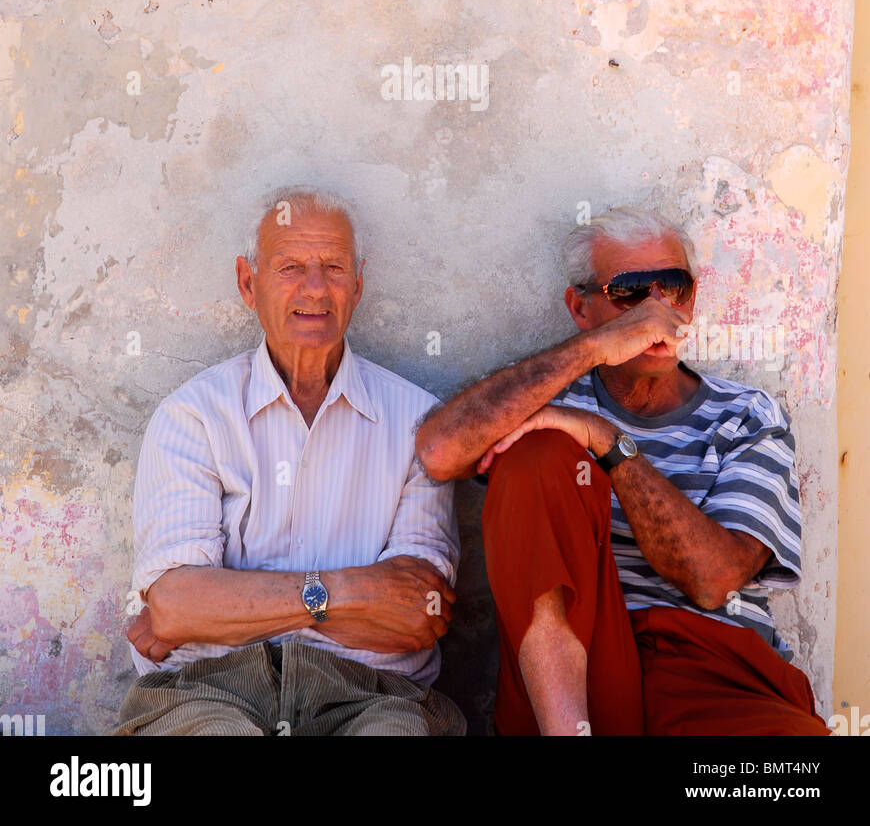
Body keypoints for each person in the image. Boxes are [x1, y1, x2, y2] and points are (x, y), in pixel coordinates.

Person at [415, 206, 830, 738]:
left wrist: (608, 442)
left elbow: (712, 579)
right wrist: (592, 351)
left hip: (709, 667)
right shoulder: (546, 402)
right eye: (631, 291)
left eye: (673, 286)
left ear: (692, 299)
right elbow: (438, 450)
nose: (655, 309)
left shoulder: (746, 414)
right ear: (580, 307)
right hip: (575, 671)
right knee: (539, 450)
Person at [112, 185, 465, 737]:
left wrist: (223, 605)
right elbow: (179, 605)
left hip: (370, 694)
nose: (316, 288)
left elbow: (418, 615)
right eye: (291, 267)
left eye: (334, 267)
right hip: (210, 690)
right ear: (247, 284)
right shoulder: (194, 416)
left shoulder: (420, 423)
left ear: (359, 284)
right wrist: (351, 593)